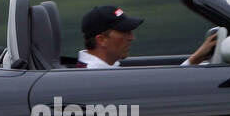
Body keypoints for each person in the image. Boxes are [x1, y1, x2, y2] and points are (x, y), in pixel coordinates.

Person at [76, 5, 217, 68]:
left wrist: (195, 59)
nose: (131, 37)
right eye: (124, 31)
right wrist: (193, 60)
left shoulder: (104, 69)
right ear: (101, 40)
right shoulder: (90, 77)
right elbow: (162, 93)